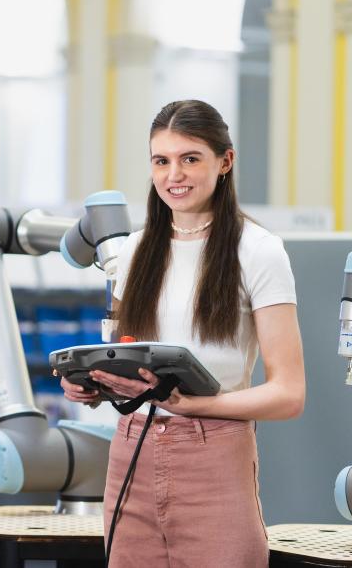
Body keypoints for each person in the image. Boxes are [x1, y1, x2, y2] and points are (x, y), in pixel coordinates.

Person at [61, 100, 305, 568]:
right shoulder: (132, 253)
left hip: (214, 451)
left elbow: (289, 394)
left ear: (225, 162)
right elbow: (124, 354)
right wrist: (91, 384)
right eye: (161, 160)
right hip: (132, 446)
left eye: (190, 158)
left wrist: (197, 405)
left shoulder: (259, 251)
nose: (175, 174)